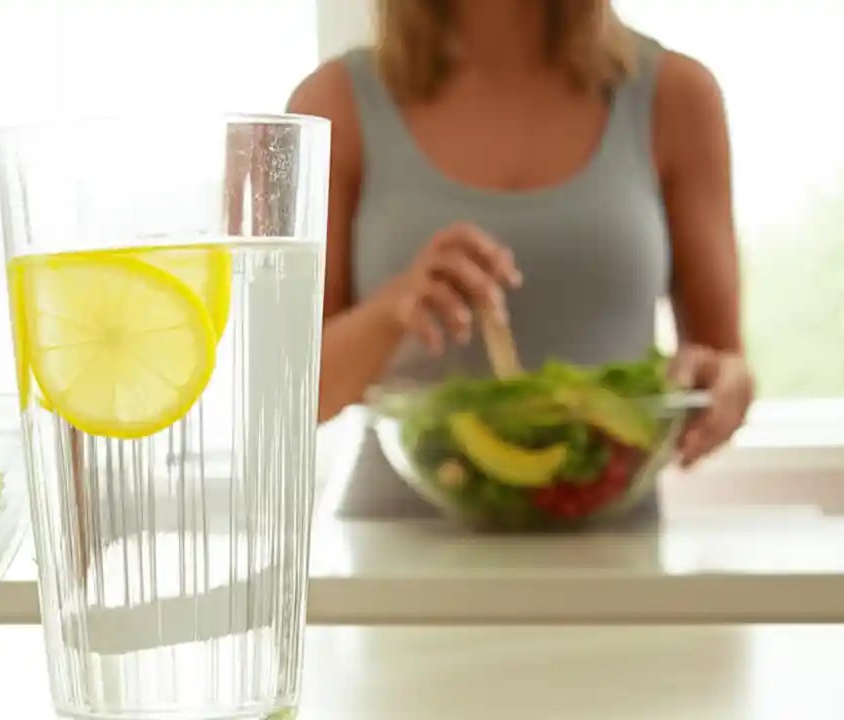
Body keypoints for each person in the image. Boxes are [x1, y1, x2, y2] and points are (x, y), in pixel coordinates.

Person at [287, 0, 754, 517]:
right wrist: (394, 308)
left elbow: (723, 364)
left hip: (614, 559)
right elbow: (292, 397)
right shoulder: (331, 104)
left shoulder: (678, 96)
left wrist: (721, 387)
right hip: (391, 556)